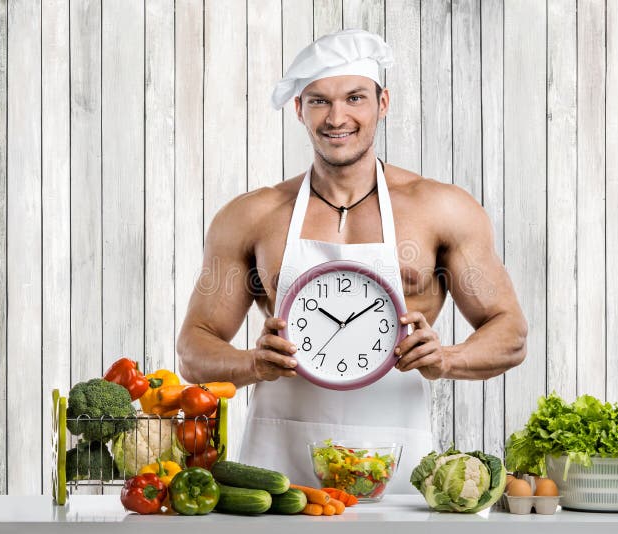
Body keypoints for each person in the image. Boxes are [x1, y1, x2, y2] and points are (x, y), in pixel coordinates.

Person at [177, 29, 527, 494]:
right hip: (278, 472)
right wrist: (250, 365)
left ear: (383, 103)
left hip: (397, 456)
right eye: (319, 101)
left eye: (354, 98)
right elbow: (193, 347)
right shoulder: (249, 217)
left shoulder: (443, 209)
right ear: (299, 109)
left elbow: (510, 332)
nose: (336, 117)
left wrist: (446, 358)